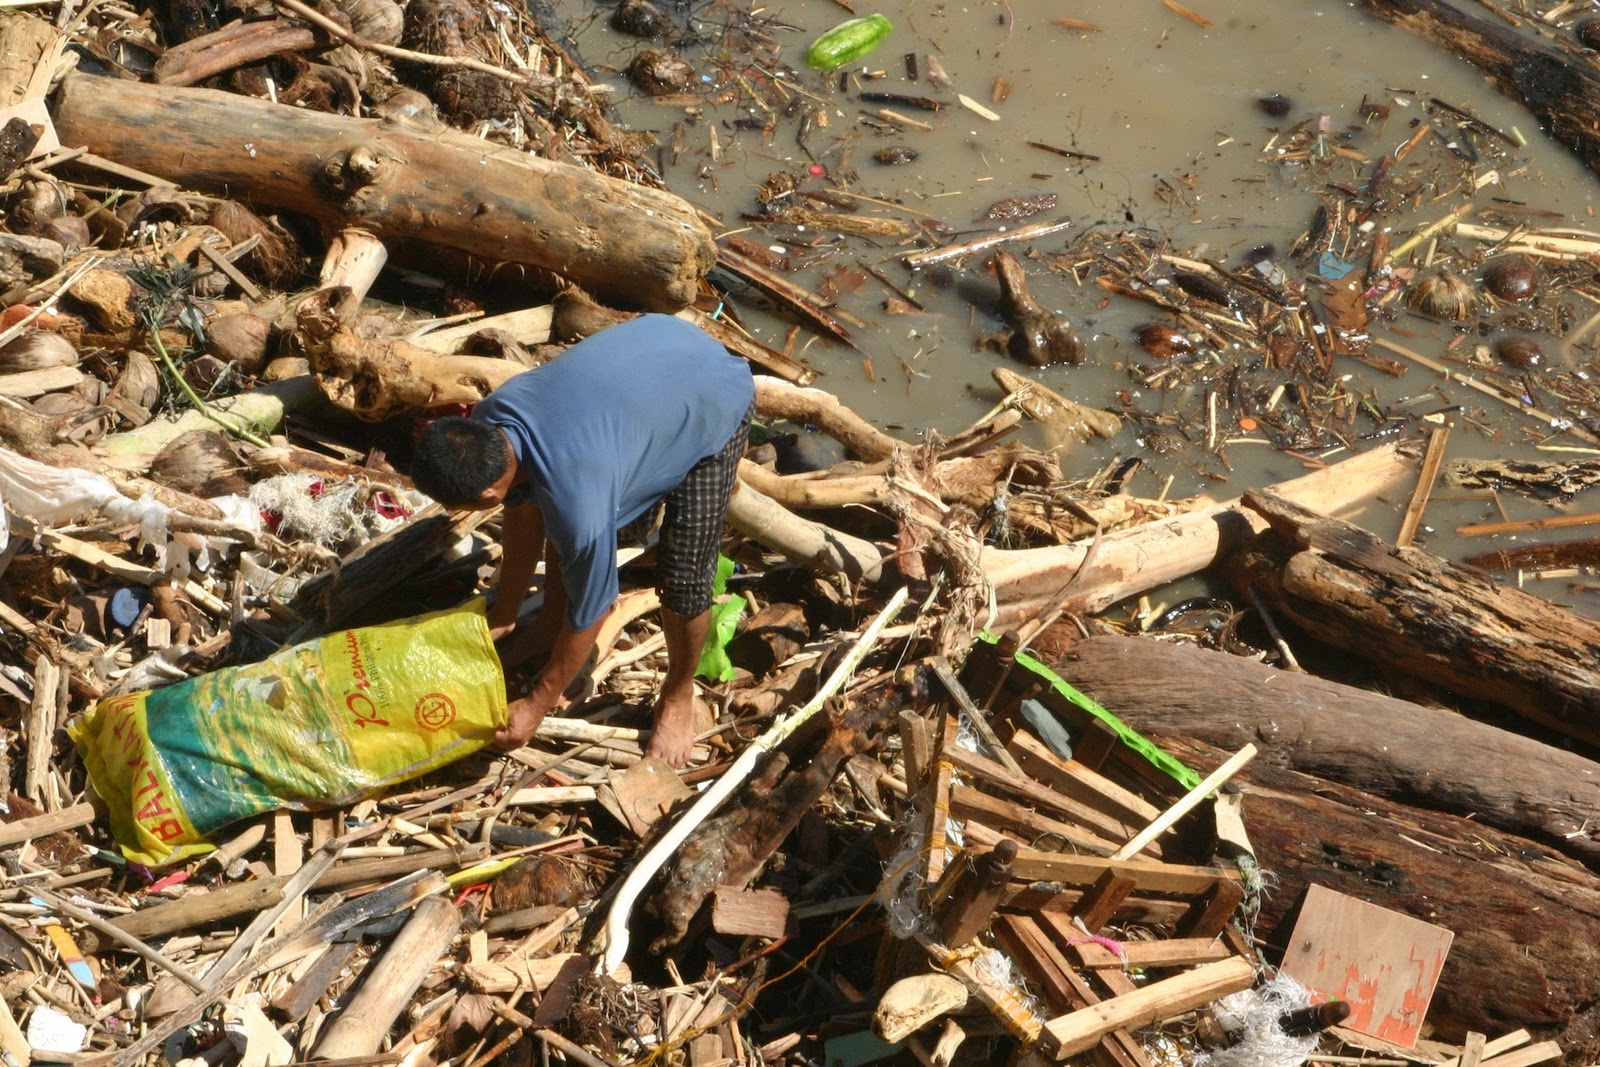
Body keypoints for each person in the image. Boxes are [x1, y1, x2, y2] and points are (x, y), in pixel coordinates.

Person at [410, 314, 756, 766]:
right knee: (559, 511)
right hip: (660, 345)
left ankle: (678, 692)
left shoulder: (579, 503)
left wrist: (537, 703)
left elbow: (595, 609)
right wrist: (506, 612)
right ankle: (544, 625)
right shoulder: (489, 420)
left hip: (716, 394)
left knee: (685, 577)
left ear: (487, 494)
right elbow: (522, 509)